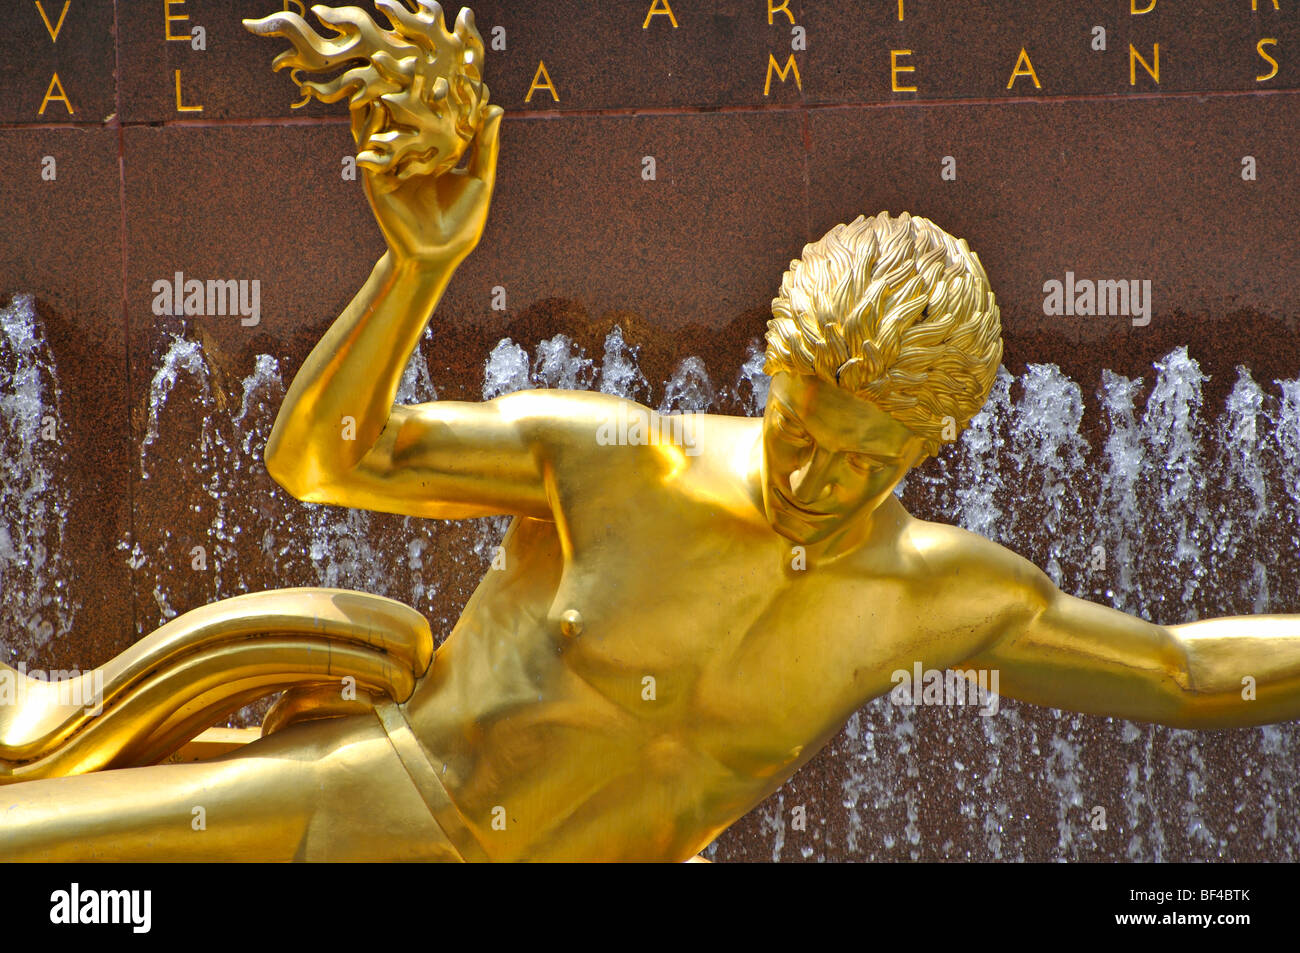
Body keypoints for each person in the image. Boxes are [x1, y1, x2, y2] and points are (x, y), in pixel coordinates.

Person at [2, 2, 1297, 862]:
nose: (812, 473)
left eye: (861, 460)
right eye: (801, 426)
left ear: (936, 441)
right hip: (377, 814)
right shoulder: (626, 462)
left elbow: (1183, 675)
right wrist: (418, 267)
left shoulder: (937, 597)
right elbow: (329, 460)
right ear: (775, 379)